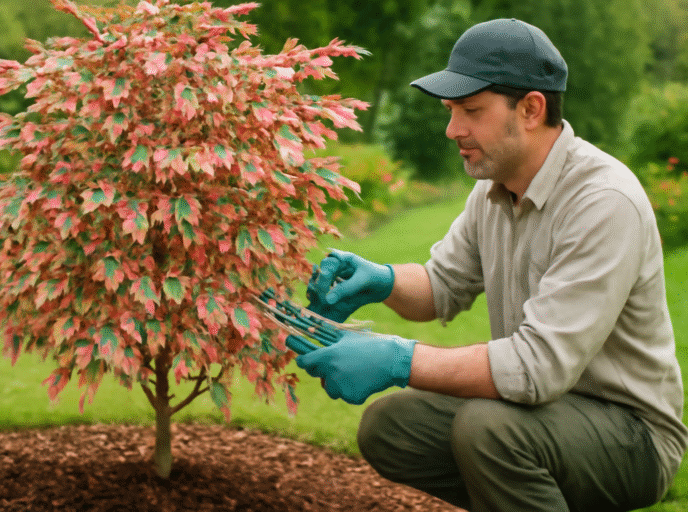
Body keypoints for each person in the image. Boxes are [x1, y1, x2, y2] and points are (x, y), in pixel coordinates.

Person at [292, 18, 688, 511]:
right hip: (541, 412)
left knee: (490, 431)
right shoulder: (493, 191)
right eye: (451, 110)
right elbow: (442, 285)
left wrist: (397, 358)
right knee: (391, 428)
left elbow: (536, 367)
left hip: (632, 433)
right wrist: (382, 281)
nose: (452, 129)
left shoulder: (603, 202)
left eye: (471, 111)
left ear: (530, 108)